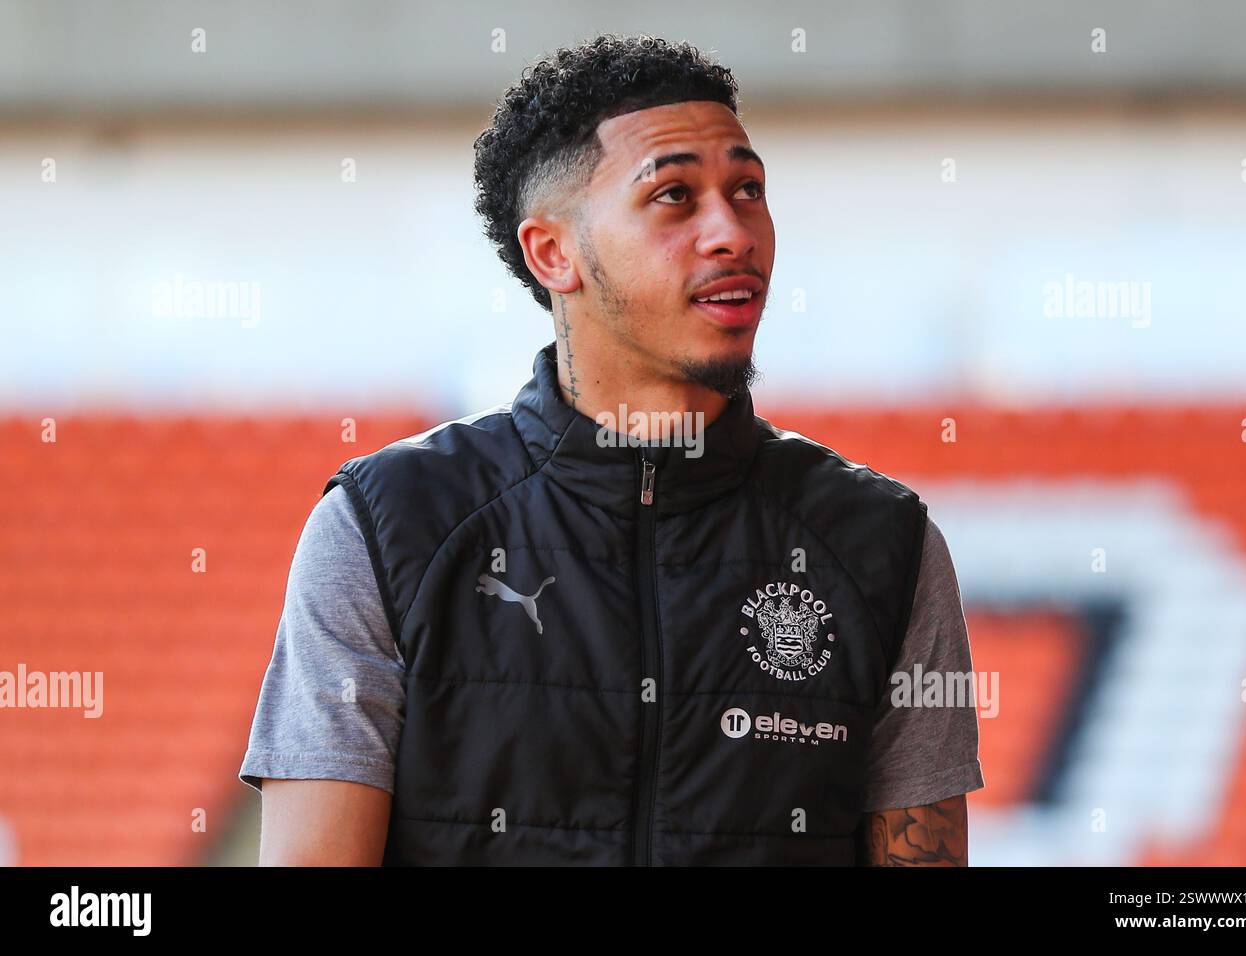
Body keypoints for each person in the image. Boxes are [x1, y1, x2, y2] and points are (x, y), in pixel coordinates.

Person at [239, 32, 984, 866]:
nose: (731, 231)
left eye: (747, 190)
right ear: (554, 254)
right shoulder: (385, 528)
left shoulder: (882, 542)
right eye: (674, 196)